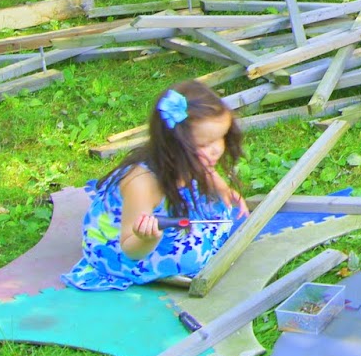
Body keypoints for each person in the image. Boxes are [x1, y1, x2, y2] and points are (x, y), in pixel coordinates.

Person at [64, 80, 248, 290]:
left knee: (218, 210)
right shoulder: (141, 184)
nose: (216, 150)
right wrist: (147, 239)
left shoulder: (191, 159)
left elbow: (208, 171)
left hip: (162, 216)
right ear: (174, 146)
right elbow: (130, 249)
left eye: (220, 138)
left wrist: (223, 189)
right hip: (130, 241)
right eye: (205, 144)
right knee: (189, 258)